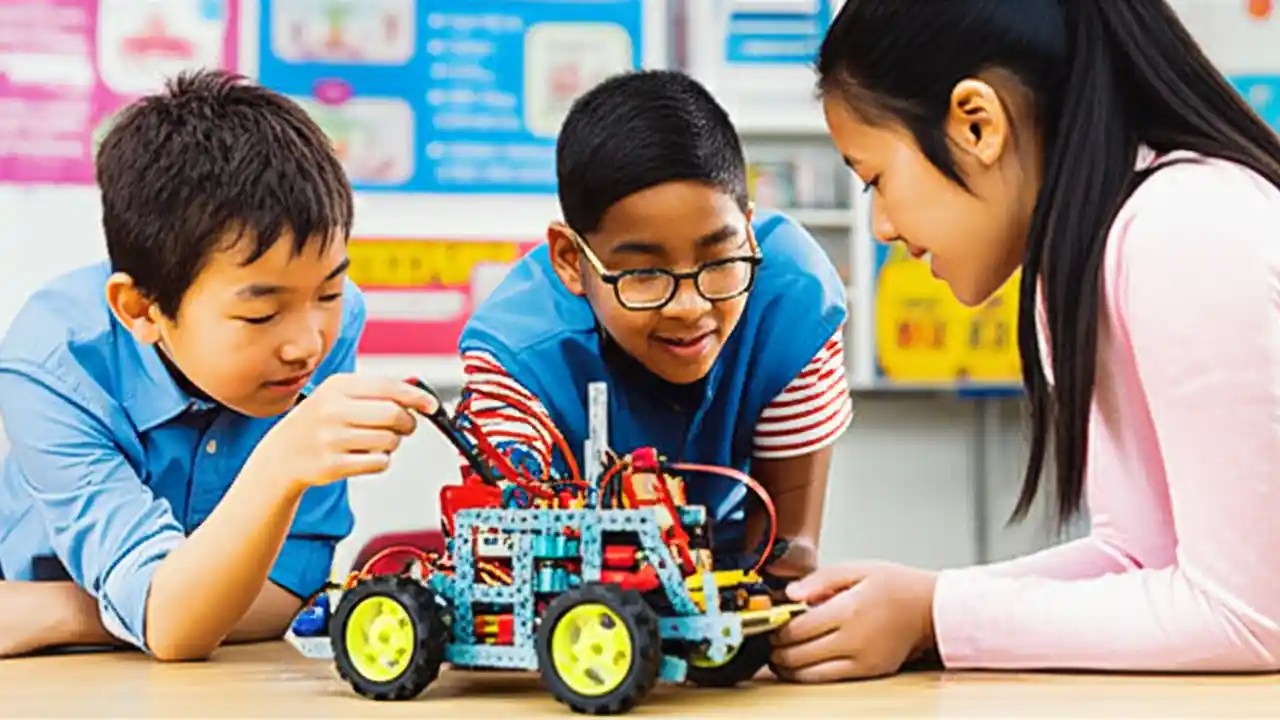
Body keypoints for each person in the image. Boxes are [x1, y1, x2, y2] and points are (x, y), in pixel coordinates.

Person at [770, 0, 1280, 681]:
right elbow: (1141, 555)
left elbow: (1246, 614)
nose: (883, 227)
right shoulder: (1087, 262)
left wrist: (940, 614)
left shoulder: (1186, 229)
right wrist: (922, 605)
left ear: (976, 124)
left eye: (877, 181)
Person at [0, 70, 435, 660]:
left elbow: (284, 594)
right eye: (260, 315)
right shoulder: (54, 365)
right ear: (142, 309)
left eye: (329, 292)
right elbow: (178, 630)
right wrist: (280, 467)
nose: (307, 344)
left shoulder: (328, 322)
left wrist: (62, 609)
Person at [456, 69, 853, 578]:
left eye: (719, 259)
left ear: (750, 234)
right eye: (644, 272)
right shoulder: (514, 357)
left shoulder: (794, 301)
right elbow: (510, 561)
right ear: (570, 260)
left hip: (724, 566)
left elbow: (787, 551)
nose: (689, 307)